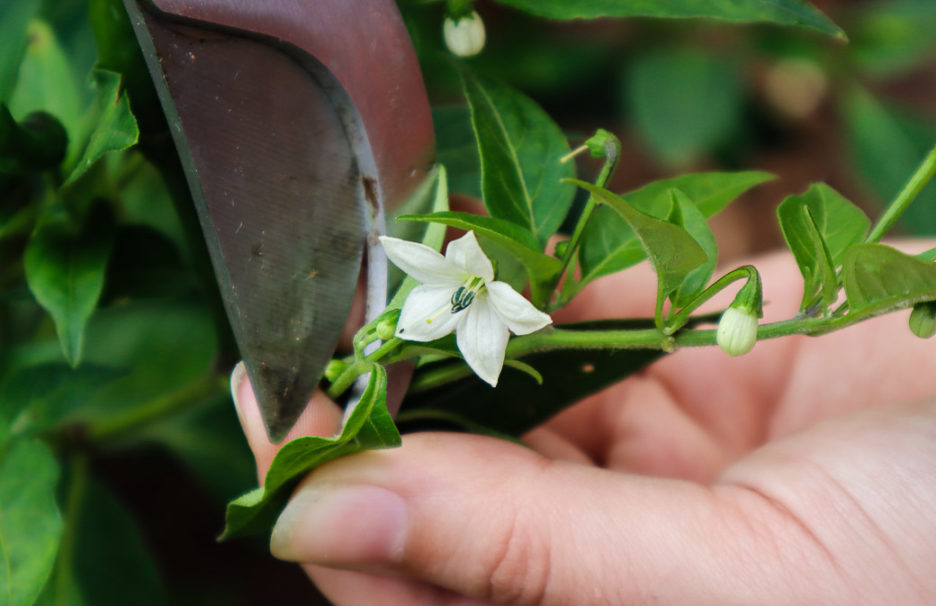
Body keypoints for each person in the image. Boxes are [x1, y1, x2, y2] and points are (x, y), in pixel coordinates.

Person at [231, 243, 936, 605]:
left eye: (475, 285)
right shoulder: (455, 292)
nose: (469, 292)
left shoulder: (482, 301)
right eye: (470, 285)